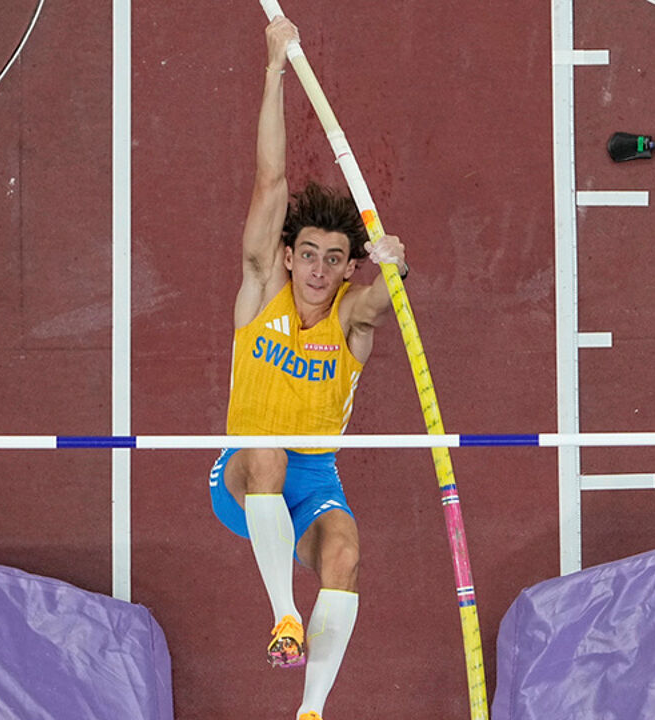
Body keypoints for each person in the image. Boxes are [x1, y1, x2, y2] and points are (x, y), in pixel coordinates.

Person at [206, 15, 408, 720]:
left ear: (345, 267)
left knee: (346, 553)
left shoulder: (352, 320)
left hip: (314, 479)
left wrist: (394, 262)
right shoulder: (263, 288)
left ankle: (311, 709)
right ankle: (283, 618)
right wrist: (273, 69)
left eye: (334, 260)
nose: (319, 270)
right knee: (265, 453)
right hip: (245, 472)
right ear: (289, 256)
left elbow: (385, 296)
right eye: (309, 254)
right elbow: (271, 180)